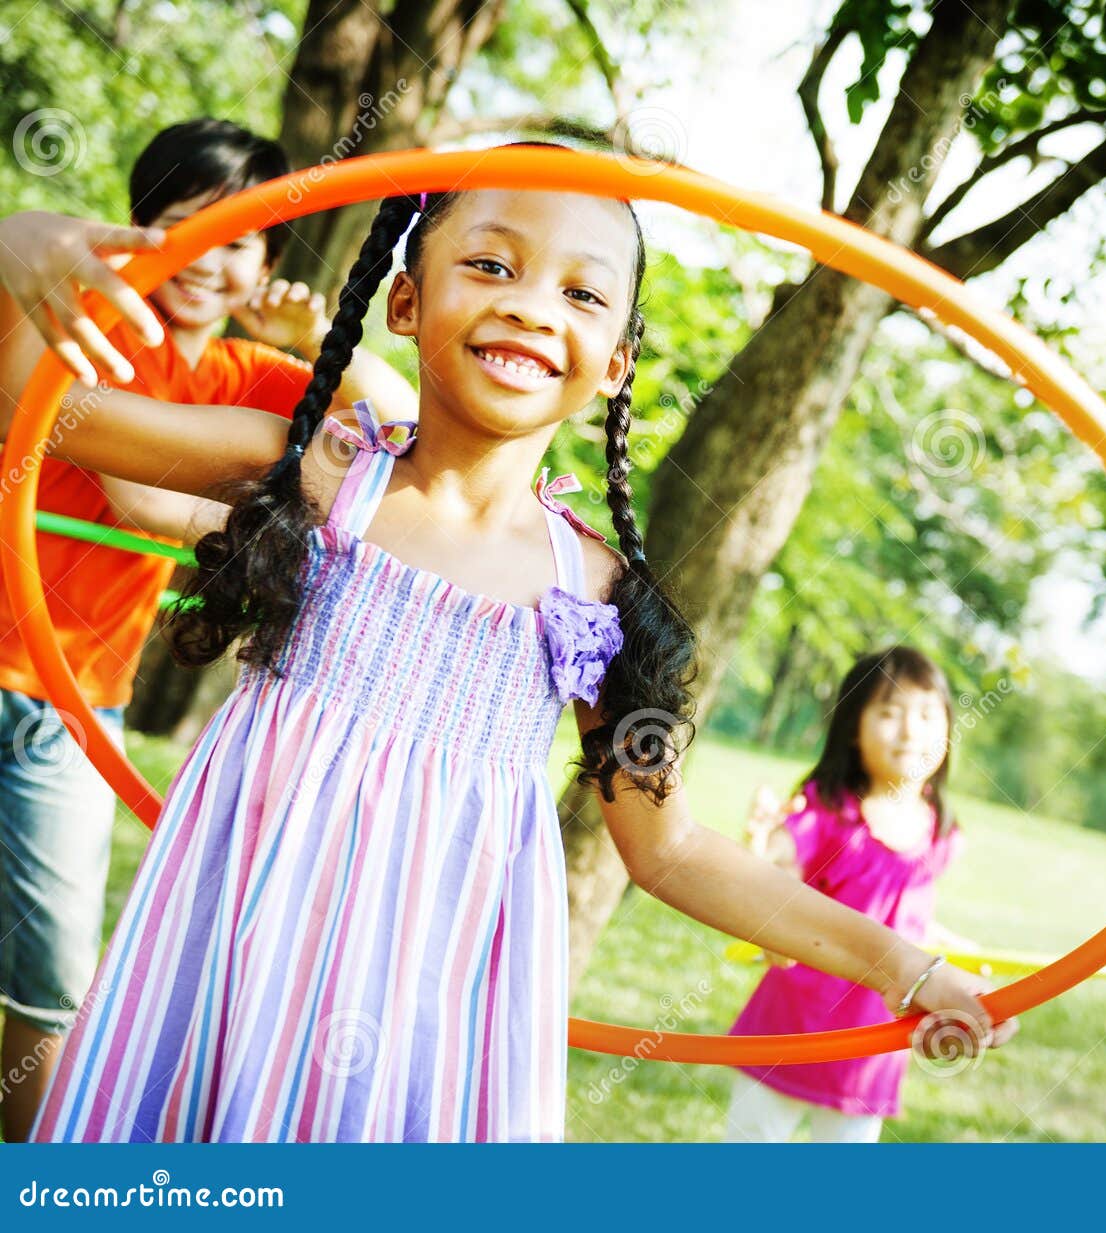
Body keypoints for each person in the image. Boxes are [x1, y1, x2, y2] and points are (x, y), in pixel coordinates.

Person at [12, 164, 1012, 1142]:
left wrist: (902, 966)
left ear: (616, 361)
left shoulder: (594, 597)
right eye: (491, 265)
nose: (532, 307)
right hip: (227, 966)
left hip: (418, 1025)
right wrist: (13, 249)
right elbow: (34, 415)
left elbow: (669, 849)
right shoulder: (312, 475)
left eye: (582, 293)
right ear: (405, 302)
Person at [0, 118, 415, 1142]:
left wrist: (318, 347)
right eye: (188, 225)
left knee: (51, 987)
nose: (208, 257)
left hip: (70, 704)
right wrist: (25, 232)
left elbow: (401, 425)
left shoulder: (246, 377)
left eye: (240, 238)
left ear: (265, 265)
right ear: (139, 230)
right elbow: (126, 488)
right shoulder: (74, 318)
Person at [724, 647, 982, 1143]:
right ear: (853, 728)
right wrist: (760, 841)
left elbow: (907, 920)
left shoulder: (940, 833)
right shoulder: (826, 811)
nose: (910, 732)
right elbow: (779, 872)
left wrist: (956, 951)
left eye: (927, 715)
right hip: (789, 1029)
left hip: (872, 1045)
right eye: (889, 713)